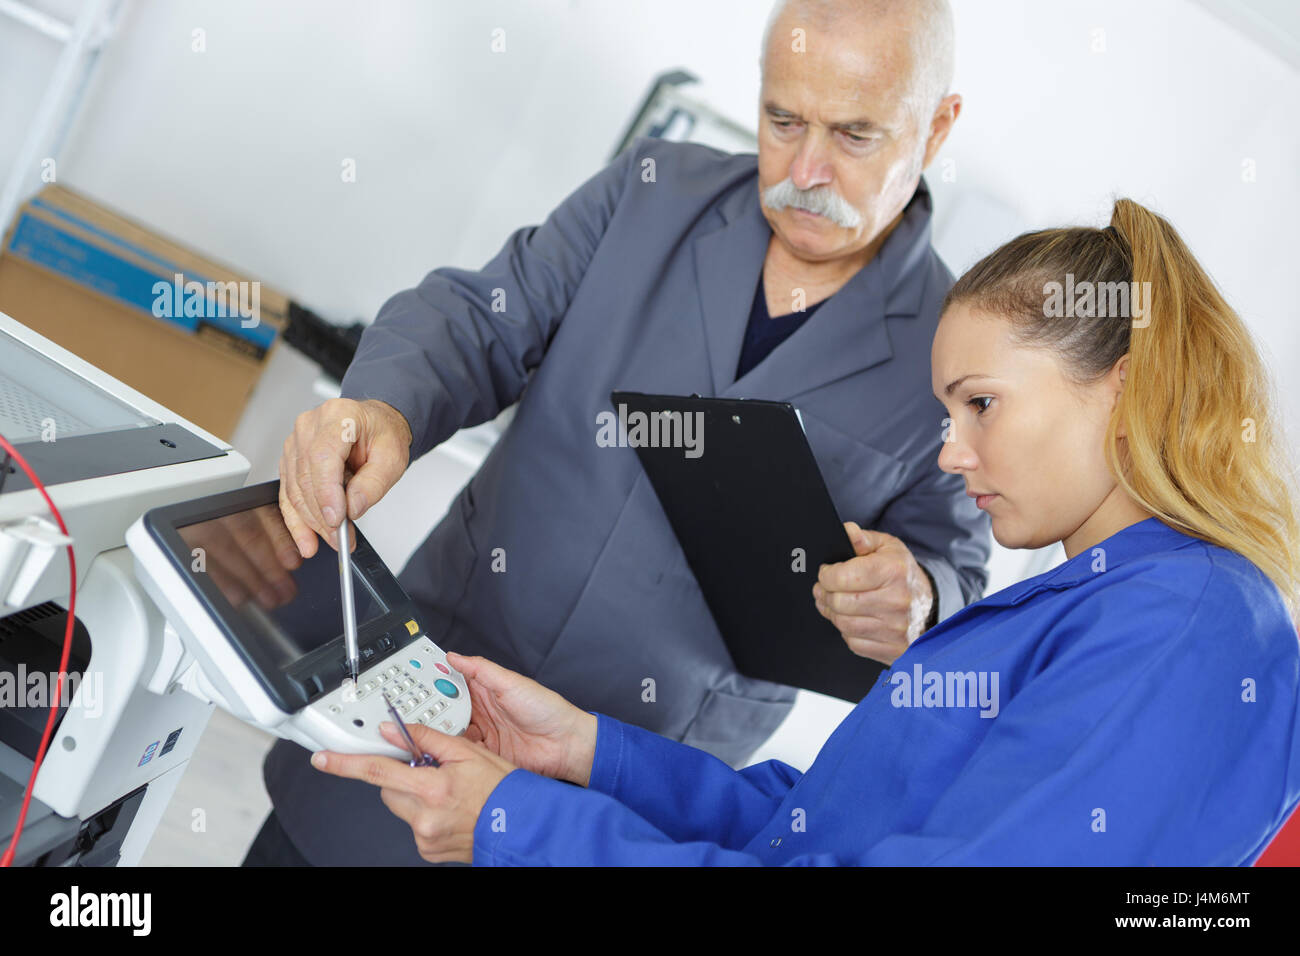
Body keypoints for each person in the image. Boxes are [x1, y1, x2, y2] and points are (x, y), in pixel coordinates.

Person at [313, 197, 1300, 865]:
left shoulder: (1189, 622)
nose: (951, 454)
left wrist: (520, 826)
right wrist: (587, 753)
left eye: (981, 404)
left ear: (1121, 388)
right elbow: (810, 827)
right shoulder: (1104, 599)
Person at [247, 0, 992, 865]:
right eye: (783, 120)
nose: (807, 170)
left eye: (857, 137)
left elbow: (957, 575)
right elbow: (480, 317)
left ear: (937, 128)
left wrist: (920, 598)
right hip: (433, 686)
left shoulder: (954, 352)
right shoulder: (652, 192)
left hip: (629, 792)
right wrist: (383, 405)